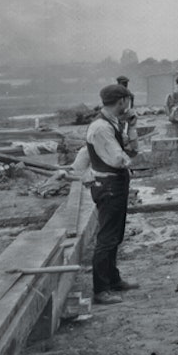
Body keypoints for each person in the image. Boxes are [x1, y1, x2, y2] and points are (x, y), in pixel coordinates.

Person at [76, 84, 139, 305]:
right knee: (107, 237)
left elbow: (129, 150)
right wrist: (129, 154)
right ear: (121, 102)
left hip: (115, 183)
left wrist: (131, 128)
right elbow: (120, 159)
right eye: (127, 102)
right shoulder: (102, 128)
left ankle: (113, 280)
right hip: (109, 185)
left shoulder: (111, 123)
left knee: (115, 235)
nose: (128, 106)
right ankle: (101, 289)